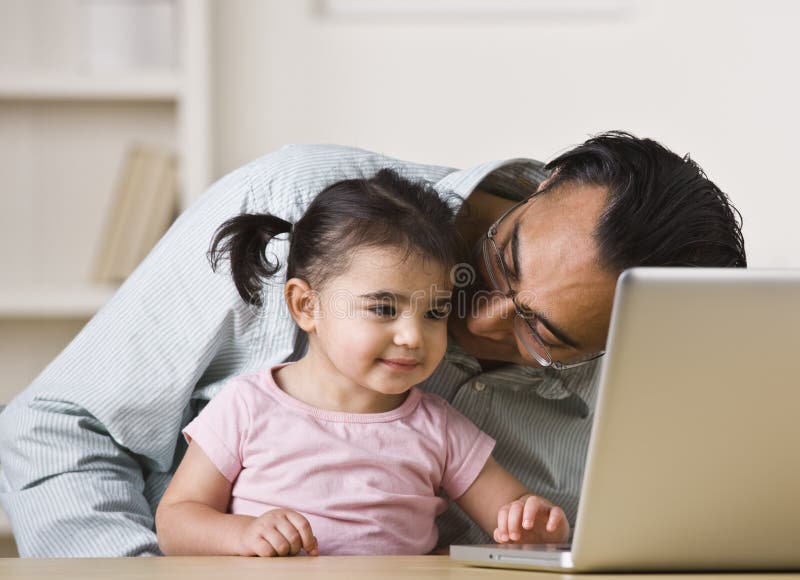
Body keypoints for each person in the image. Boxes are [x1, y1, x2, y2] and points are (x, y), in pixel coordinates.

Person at [0, 131, 746, 557]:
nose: (480, 320)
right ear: (542, 184)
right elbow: (57, 430)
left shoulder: (653, 395)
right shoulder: (297, 208)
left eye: (542, 335)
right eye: (504, 258)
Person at [155, 169, 569, 556]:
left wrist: (532, 525)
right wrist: (243, 533)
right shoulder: (246, 405)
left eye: (434, 313)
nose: (412, 337)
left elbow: (511, 510)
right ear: (306, 305)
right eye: (384, 308)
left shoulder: (439, 427)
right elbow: (176, 520)